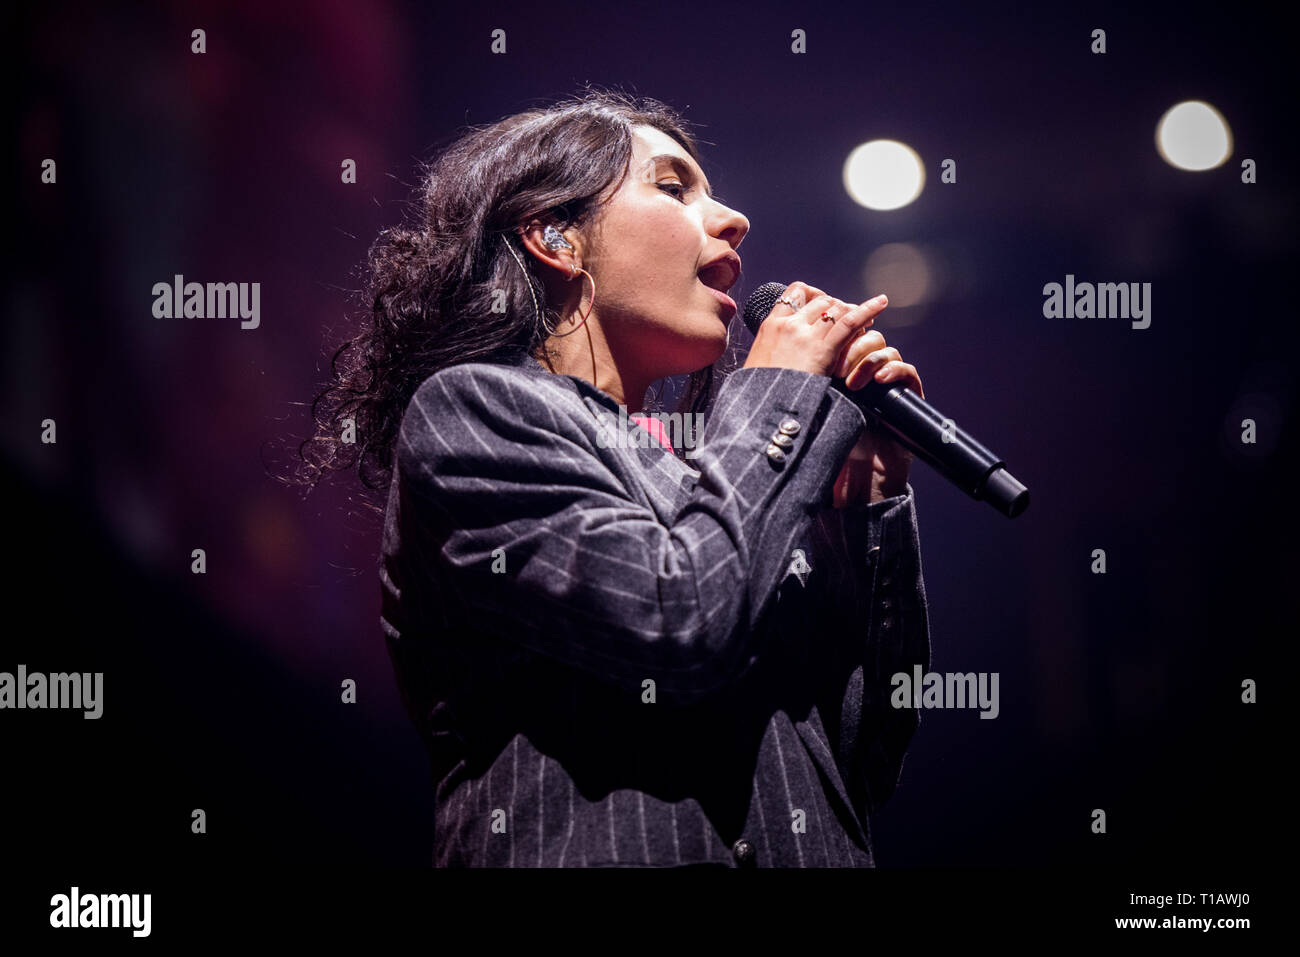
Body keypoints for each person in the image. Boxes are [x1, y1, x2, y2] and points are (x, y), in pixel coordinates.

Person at [303, 88, 931, 867]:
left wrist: (870, 499)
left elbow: (863, 760)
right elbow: (678, 616)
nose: (735, 219)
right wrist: (776, 391)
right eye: (673, 187)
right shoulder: (473, 412)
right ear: (556, 237)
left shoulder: (722, 481)